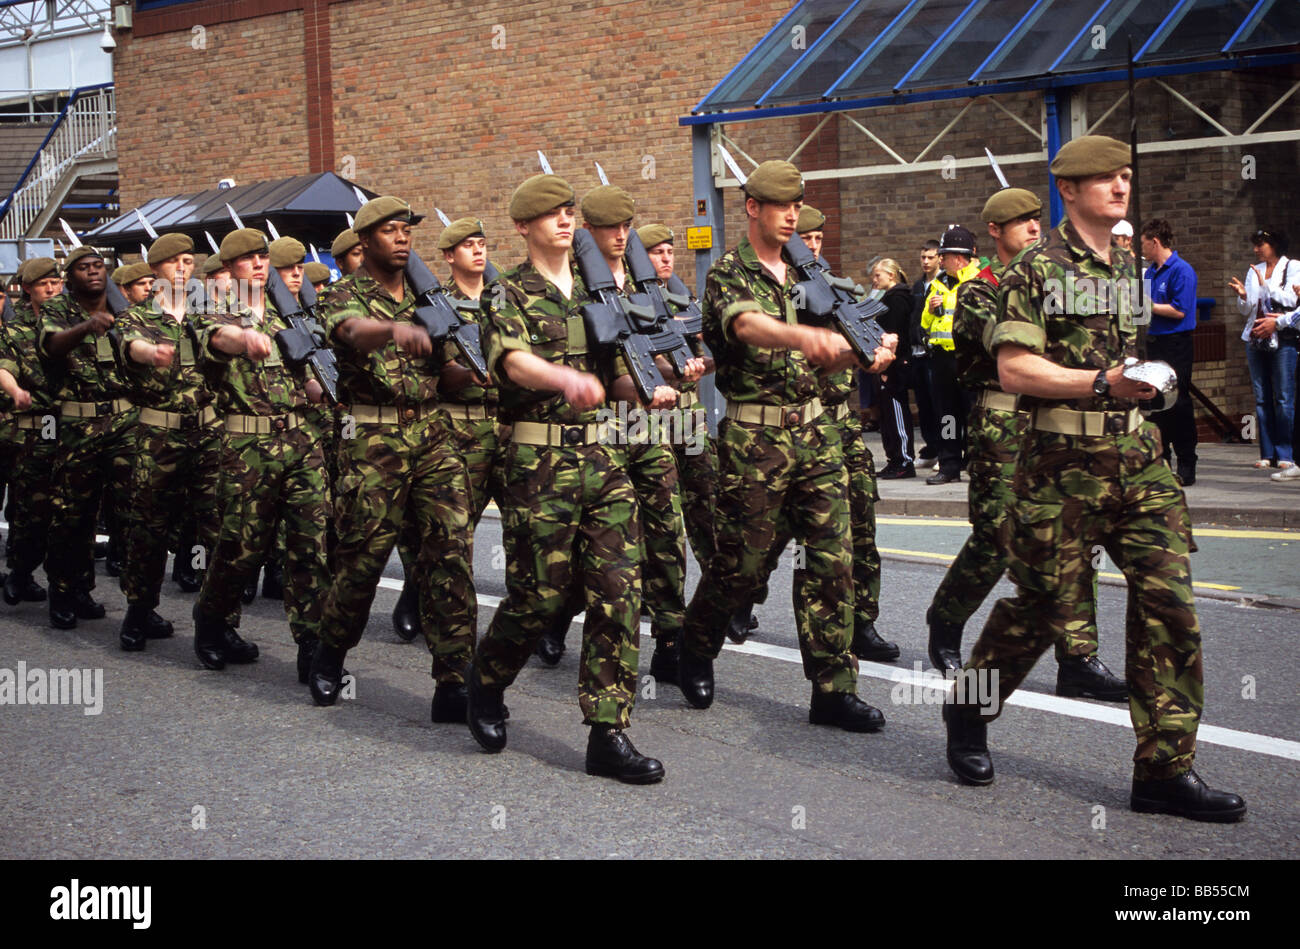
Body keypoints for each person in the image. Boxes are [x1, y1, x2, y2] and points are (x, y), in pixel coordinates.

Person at [944, 134, 1245, 823]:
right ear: (1069, 191)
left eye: (1125, 175)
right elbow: (1016, 370)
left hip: (1139, 462)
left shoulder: (1127, 265)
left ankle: (1165, 769)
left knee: (1170, 603)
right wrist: (1103, 382)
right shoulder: (1033, 270)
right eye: (1104, 178)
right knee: (1042, 611)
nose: (1120, 185)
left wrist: (1144, 388)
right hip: (1060, 467)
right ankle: (970, 707)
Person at [676, 160, 896, 731]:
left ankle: (832, 688)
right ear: (753, 208)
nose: (792, 215)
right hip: (757, 438)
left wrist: (869, 351)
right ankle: (694, 648)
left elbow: (834, 353)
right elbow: (747, 327)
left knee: (832, 560)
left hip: (819, 432)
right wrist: (805, 335)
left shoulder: (813, 274)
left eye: (797, 205)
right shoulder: (730, 272)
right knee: (741, 565)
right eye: (781, 206)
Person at [469, 173, 674, 783]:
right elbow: (511, 361)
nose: (564, 221)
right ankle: (486, 679)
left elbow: (612, 377)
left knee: (619, 590)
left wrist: (651, 386)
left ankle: (607, 732)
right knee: (540, 596)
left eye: (568, 212)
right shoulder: (505, 292)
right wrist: (563, 379)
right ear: (522, 227)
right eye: (551, 214)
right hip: (537, 465)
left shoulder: (597, 291)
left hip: (602, 457)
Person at [923, 187, 1126, 700]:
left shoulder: (1058, 279)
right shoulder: (980, 289)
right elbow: (1012, 349)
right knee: (996, 538)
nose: (1034, 229)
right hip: (1002, 423)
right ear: (995, 231)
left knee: (1075, 533)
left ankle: (1077, 657)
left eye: (1037, 220)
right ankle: (946, 619)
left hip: (1058, 421)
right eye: (1021, 222)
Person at [309, 196, 477, 718]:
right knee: (362, 560)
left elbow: (446, 374)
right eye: (390, 231)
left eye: (407, 230)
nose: (402, 238)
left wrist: (474, 372)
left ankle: (453, 682)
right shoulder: (343, 295)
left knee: (450, 553)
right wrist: (395, 331)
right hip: (372, 440)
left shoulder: (434, 300)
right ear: (364, 243)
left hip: (432, 434)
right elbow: (353, 333)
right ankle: (329, 655)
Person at [191, 227, 329, 676]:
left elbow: (302, 377)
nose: (258, 263)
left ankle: (311, 642)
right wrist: (243, 340)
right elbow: (215, 341)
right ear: (230, 266)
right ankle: (213, 623)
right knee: (240, 548)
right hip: (248, 446)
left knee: (310, 544)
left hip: (301, 442)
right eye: (248, 258)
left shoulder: (285, 313)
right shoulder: (212, 310)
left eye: (262, 257)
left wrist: (319, 386)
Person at [114, 233, 221, 651]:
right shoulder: (135, 319)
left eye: (189, 262)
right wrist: (150, 352)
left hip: (209, 435)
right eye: (174, 262)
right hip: (159, 437)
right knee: (150, 530)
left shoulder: (208, 317)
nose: (183, 268)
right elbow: (131, 347)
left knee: (217, 529)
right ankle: (139, 611)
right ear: (156, 269)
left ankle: (216, 621)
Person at [37, 245, 140, 629]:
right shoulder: (57, 311)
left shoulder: (125, 312)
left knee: (131, 514)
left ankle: (140, 605)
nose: (93, 273)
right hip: (80, 427)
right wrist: (87, 326)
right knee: (73, 516)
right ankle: (65, 592)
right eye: (84, 268)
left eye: (98, 266)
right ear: (71, 277)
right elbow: (50, 346)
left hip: (124, 424)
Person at [0, 258, 60, 607]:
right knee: (23, 507)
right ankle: (19, 573)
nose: (52, 289)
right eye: (44, 285)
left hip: (58, 428)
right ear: (28, 289)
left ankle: (30, 573)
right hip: (19, 429)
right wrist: (16, 393)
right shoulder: (13, 330)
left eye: (56, 283)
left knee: (44, 509)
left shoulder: (71, 321)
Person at [1229, 228, 1296, 475]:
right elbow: (1247, 310)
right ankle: (1267, 453)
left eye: (1261, 244)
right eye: (1255, 245)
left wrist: (1265, 284)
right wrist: (1244, 296)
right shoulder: (1253, 269)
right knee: (1261, 397)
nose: (1257, 249)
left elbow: (1290, 300)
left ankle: (1285, 453)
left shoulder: (1293, 267)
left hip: (1281, 339)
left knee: (1283, 396)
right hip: (1254, 338)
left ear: (1275, 244)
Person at [920, 225, 980, 484]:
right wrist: (931, 311)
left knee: (973, 413)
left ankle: (977, 464)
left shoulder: (978, 280)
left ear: (959, 257)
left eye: (944, 255)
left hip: (970, 358)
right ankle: (949, 464)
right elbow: (924, 322)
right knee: (947, 415)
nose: (940, 260)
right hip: (942, 360)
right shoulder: (937, 284)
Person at [1141, 219, 1199, 485]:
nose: (1140, 248)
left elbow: (1179, 310)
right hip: (1156, 342)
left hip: (1176, 343)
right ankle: (1163, 462)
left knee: (1179, 403)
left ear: (1155, 241)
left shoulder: (1181, 271)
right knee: (1158, 404)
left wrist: (1147, 305)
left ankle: (1187, 461)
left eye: (1143, 243)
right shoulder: (1151, 272)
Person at [872, 258, 917, 478]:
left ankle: (904, 461)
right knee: (888, 414)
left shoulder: (898, 299)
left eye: (877, 275)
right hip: (889, 363)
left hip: (895, 364)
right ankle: (894, 459)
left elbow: (895, 335)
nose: (874, 279)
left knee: (897, 410)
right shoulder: (889, 298)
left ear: (891, 275)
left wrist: (889, 368)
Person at [909, 240, 942, 462]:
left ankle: (946, 448)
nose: (926, 261)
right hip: (916, 353)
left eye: (930, 257)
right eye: (923, 257)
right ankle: (931, 447)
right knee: (924, 404)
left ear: (940, 258)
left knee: (940, 403)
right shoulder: (918, 287)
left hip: (936, 354)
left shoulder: (944, 285)